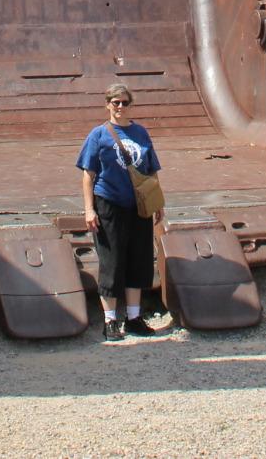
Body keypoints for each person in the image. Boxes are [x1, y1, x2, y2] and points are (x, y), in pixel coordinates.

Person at [77, 81, 164, 340]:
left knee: (139, 259)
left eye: (125, 102)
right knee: (111, 262)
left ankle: (134, 318)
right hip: (109, 203)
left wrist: (158, 202)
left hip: (138, 205)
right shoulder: (99, 135)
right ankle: (110, 321)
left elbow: (151, 169)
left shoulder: (140, 133)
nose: (120, 107)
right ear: (108, 105)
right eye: (116, 102)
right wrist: (89, 209)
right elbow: (88, 175)